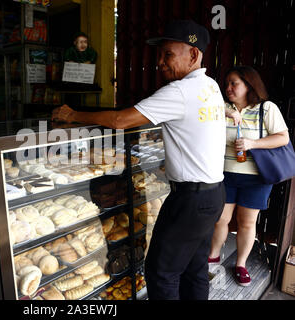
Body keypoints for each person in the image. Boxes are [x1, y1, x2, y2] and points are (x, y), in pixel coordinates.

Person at [53, 20, 227, 300]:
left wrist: (73, 115)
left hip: (190, 200)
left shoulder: (180, 91)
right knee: (194, 269)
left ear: (193, 55)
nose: (160, 62)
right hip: (213, 194)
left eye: (168, 54)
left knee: (161, 272)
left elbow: (121, 120)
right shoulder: (210, 86)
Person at [208, 66, 290, 286]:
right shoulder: (221, 107)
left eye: (234, 83)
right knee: (220, 220)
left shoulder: (266, 108)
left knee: (246, 223)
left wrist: (253, 144)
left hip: (255, 178)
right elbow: (199, 108)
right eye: (227, 83)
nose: (228, 88)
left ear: (249, 84)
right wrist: (226, 111)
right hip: (224, 175)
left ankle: (241, 264)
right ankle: (212, 257)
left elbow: (282, 138)